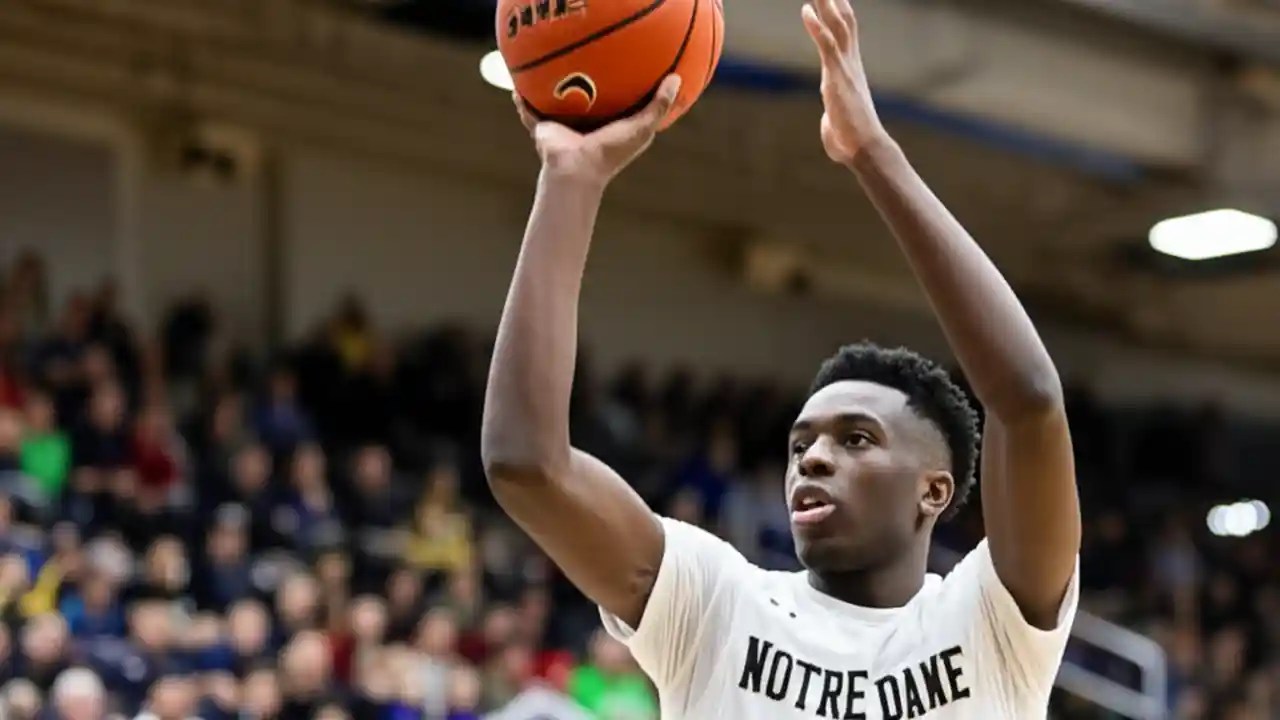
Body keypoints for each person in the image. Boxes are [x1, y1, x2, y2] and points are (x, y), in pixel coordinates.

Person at [480, 0, 1082, 717]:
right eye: (802, 444)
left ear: (935, 491)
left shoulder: (992, 624)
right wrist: (570, 179)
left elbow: (1029, 400)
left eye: (856, 438)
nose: (814, 459)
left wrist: (873, 154)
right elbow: (527, 465)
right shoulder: (715, 605)